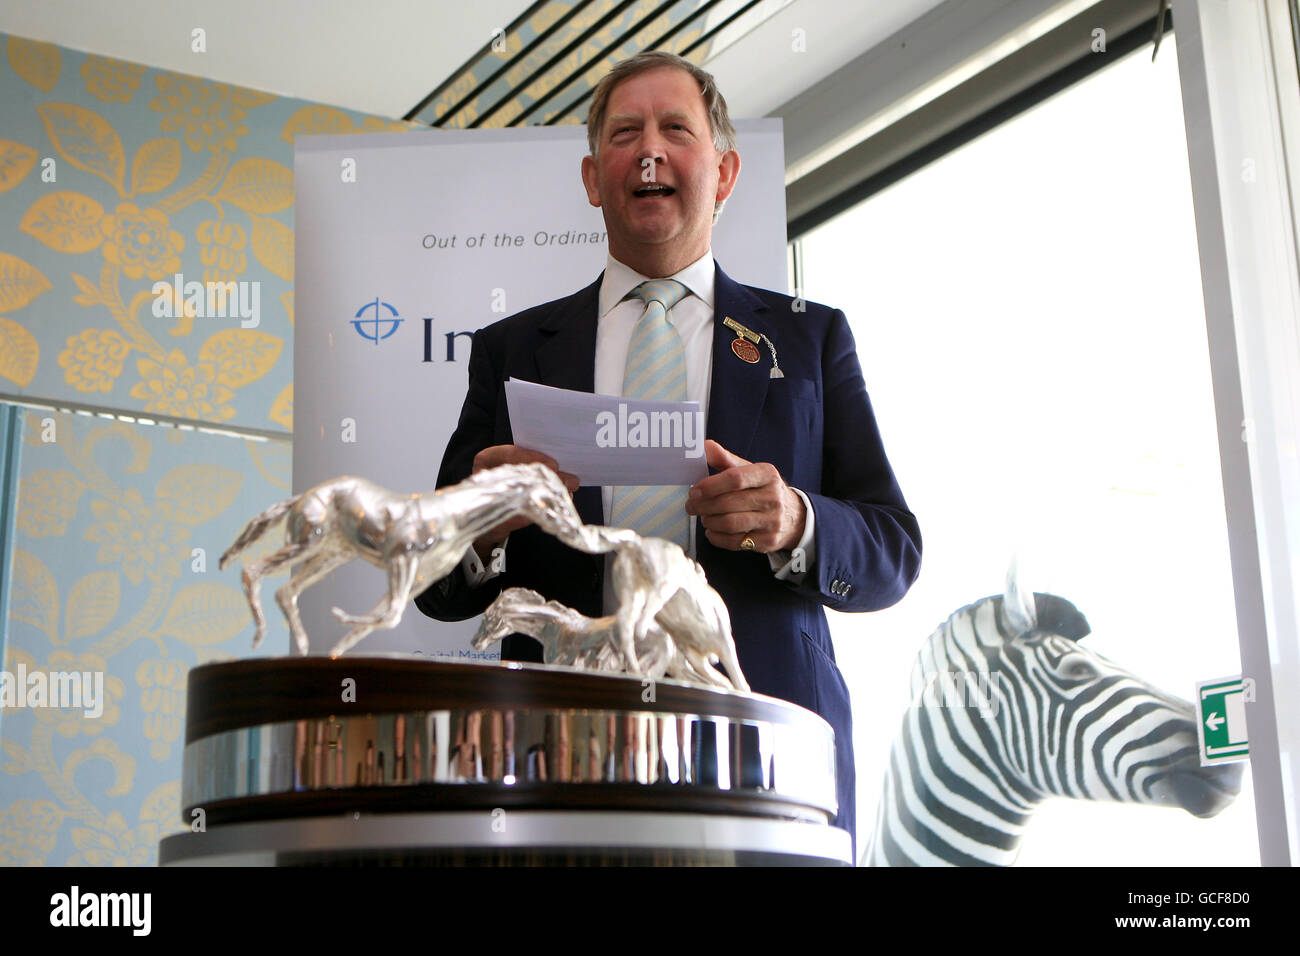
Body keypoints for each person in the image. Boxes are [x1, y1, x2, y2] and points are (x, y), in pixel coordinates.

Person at [414, 50, 921, 857]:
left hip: (767, 755)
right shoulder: (512, 350)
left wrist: (794, 520)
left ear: (723, 172)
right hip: (556, 763)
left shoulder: (811, 338)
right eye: (624, 134)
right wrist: (480, 523)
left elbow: (893, 551)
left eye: (674, 129)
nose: (648, 151)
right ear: (593, 178)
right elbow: (435, 590)